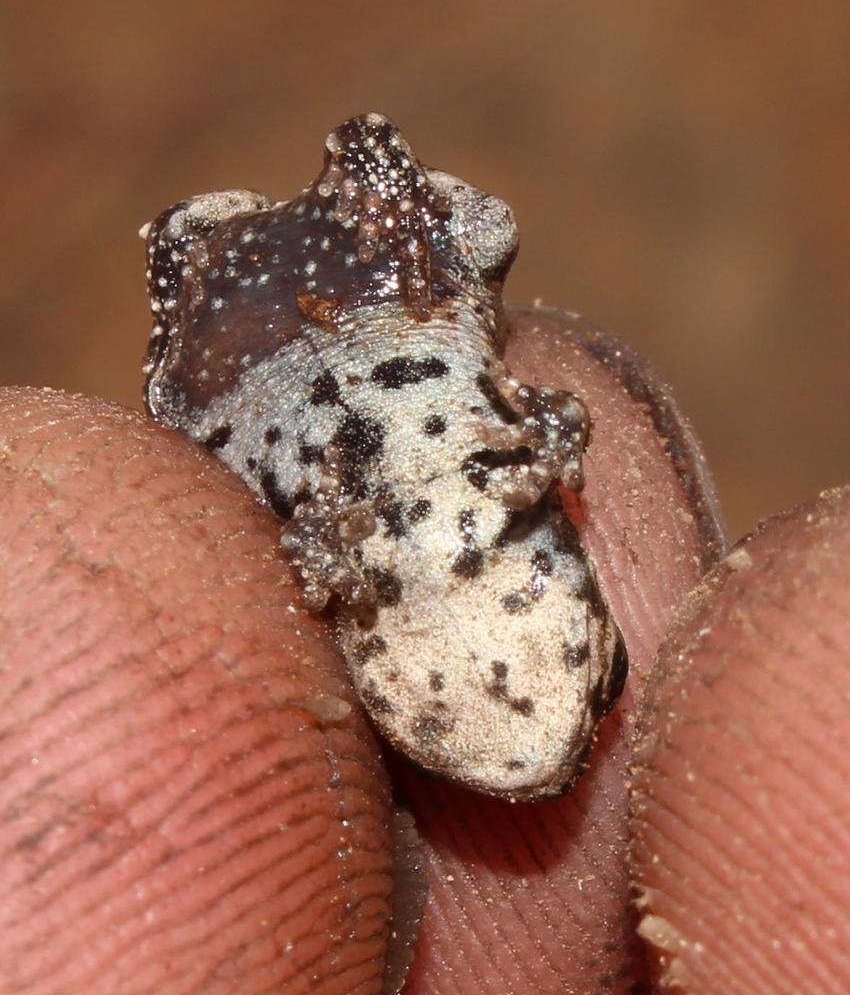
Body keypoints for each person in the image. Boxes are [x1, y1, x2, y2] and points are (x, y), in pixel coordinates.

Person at [1, 314, 847, 994]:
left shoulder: (356, 541)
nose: (559, 777)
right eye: (603, 679)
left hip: (309, 414)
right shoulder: (508, 468)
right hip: (381, 352)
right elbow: (561, 416)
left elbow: (553, 421)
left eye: (434, 748)